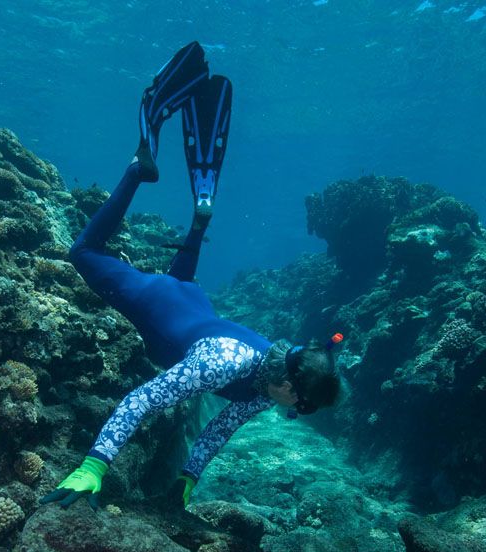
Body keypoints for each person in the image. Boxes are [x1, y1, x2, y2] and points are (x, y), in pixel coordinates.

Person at [41, 42, 341, 511]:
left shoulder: (271, 382)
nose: (294, 411)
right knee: (82, 252)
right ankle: (136, 170)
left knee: (181, 286)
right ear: (293, 386)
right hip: (158, 300)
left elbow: (219, 428)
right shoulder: (225, 367)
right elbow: (140, 400)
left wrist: (188, 478)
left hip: (190, 301)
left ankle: (200, 220)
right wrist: (94, 466)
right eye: (301, 406)